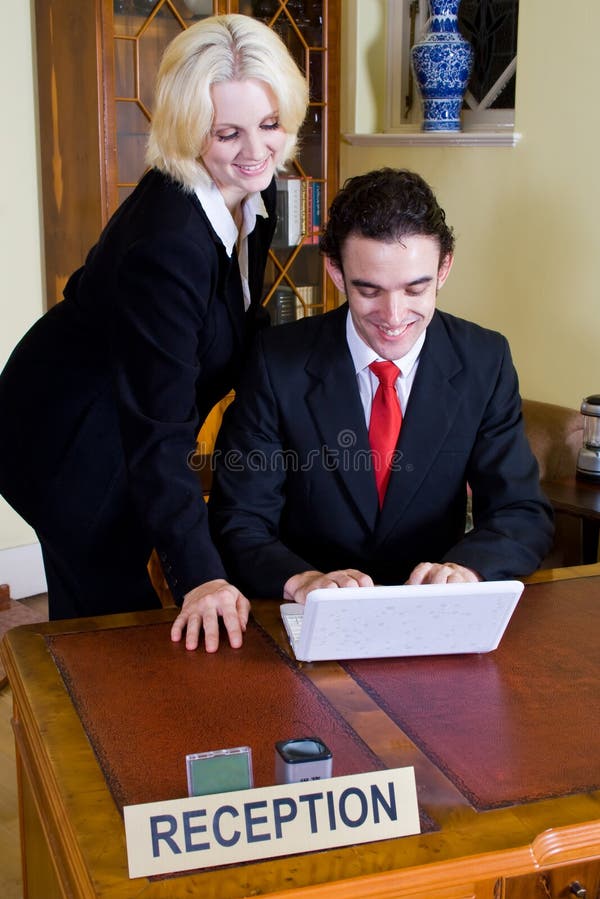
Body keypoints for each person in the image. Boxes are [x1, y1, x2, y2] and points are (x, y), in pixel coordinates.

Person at [0, 15, 308, 650]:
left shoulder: (254, 191)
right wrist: (199, 577)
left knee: (109, 610)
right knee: (114, 627)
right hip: (65, 437)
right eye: (228, 133)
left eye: (270, 124)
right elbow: (159, 429)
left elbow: (239, 322)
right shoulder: (168, 245)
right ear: (189, 130)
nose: (257, 150)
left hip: (123, 409)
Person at [209, 168, 554, 607]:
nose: (393, 317)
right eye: (369, 290)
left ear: (444, 268)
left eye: (415, 289)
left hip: (432, 617)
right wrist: (301, 580)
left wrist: (467, 570)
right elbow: (238, 519)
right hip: (304, 617)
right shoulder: (276, 362)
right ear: (336, 271)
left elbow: (521, 512)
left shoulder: (484, 361)